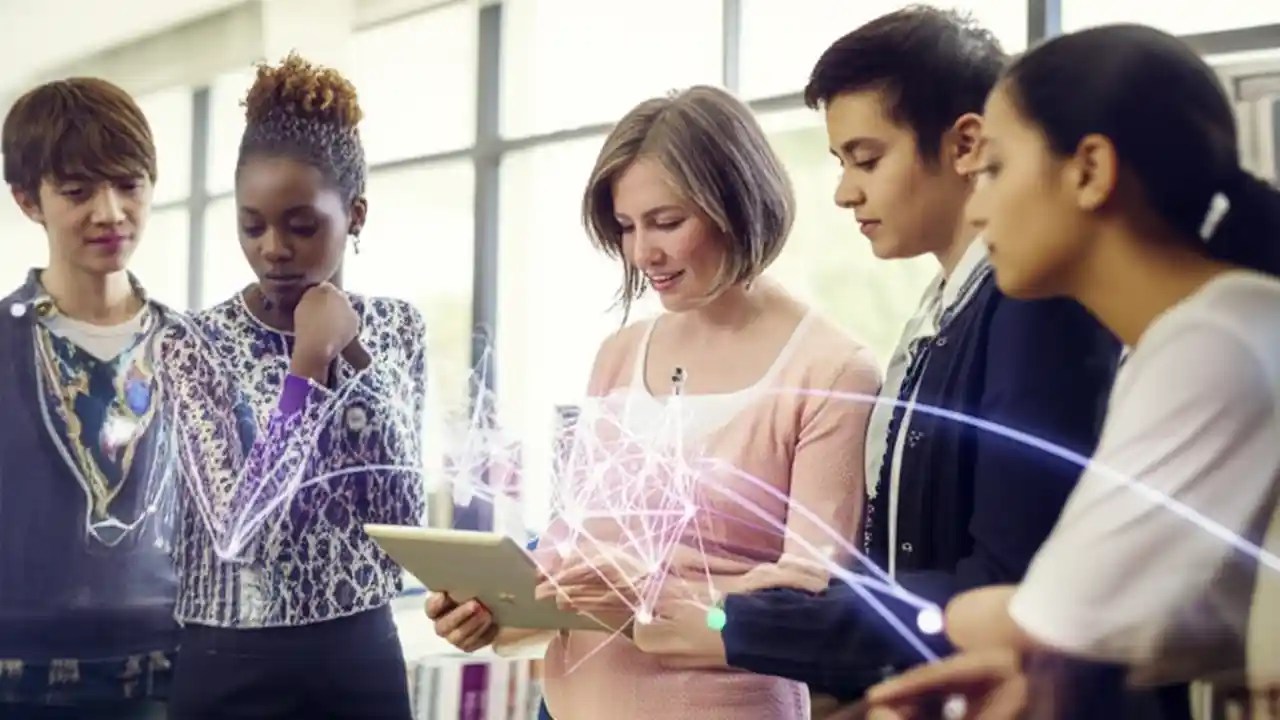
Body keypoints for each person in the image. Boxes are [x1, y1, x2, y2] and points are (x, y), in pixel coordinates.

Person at [622, 5, 1124, 703]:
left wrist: (740, 624)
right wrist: (798, 591)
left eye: (867, 158)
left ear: (965, 144)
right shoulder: (945, 313)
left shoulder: (1032, 309)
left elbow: (1004, 582)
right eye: (840, 162)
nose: (844, 190)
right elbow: (915, 554)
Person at [863, 23, 1280, 719]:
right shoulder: (1219, 325)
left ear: (1089, 170)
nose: (977, 203)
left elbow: (1052, 619)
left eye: (994, 168)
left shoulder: (1213, 341)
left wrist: (995, 618)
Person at [428, 84, 881, 719]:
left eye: (667, 222)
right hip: (568, 705)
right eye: (627, 227)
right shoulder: (618, 353)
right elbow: (574, 544)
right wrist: (494, 610)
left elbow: (808, 592)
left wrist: (648, 594)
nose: (644, 253)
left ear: (739, 206)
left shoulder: (831, 369)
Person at [157, 53, 427, 719]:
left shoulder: (397, 326)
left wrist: (354, 355)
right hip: (231, 664)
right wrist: (305, 369)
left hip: (362, 652)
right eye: (252, 225)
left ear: (355, 214)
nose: (274, 247)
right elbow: (240, 535)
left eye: (301, 225)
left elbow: (402, 512)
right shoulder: (192, 344)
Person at [0, 77, 178, 720]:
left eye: (130, 185)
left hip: (170, 670)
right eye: (77, 192)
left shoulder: (195, 349)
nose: (110, 212)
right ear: (28, 200)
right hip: (19, 678)